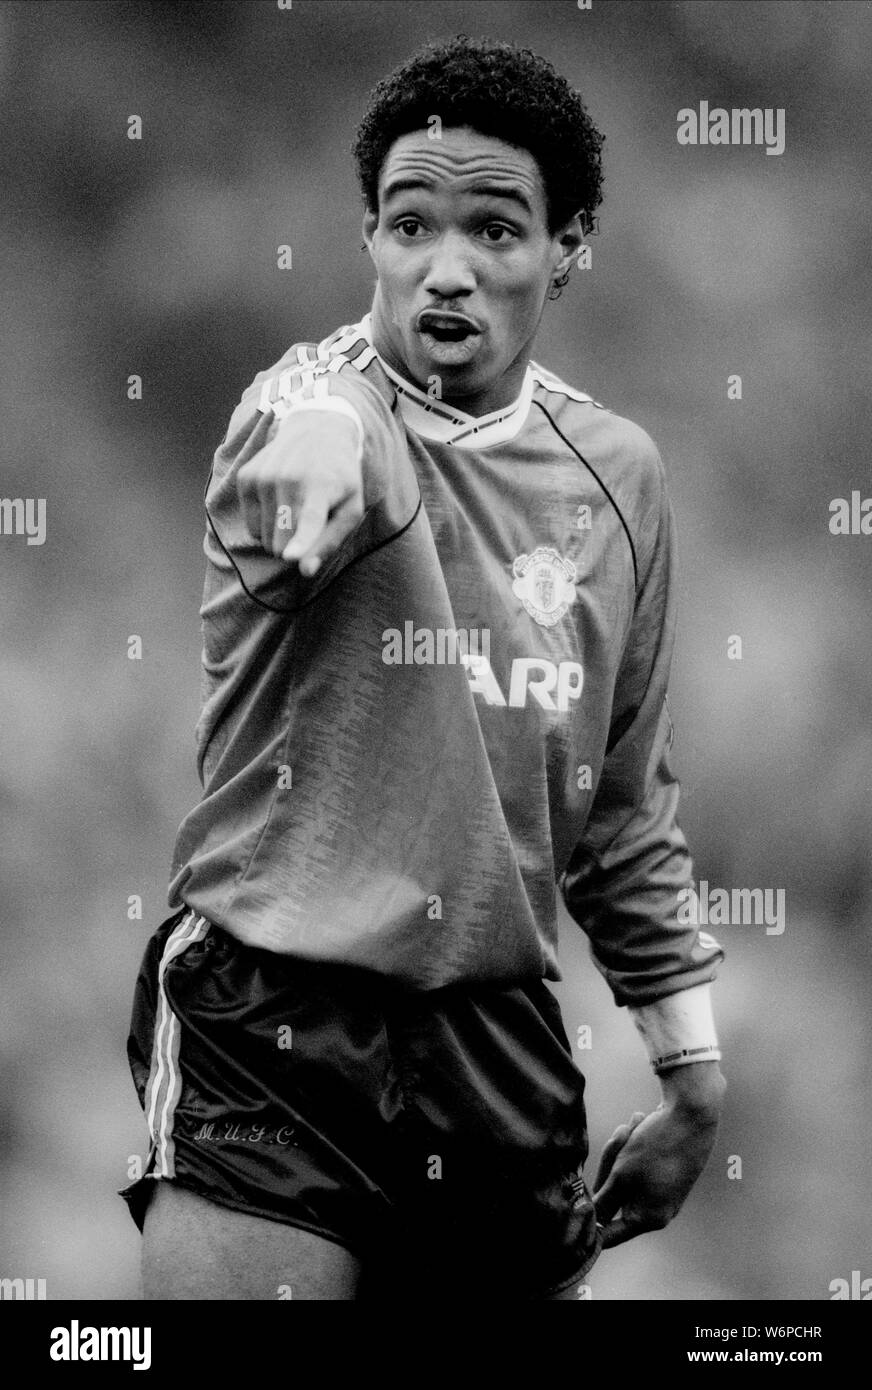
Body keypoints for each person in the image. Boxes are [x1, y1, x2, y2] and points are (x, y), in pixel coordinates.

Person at [122, 35, 725, 1302]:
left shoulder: (618, 481)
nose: (443, 269)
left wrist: (687, 1066)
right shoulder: (306, 408)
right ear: (369, 239)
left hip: (493, 1036)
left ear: (569, 247)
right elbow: (313, 426)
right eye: (408, 225)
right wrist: (315, 460)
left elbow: (617, 807)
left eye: (495, 231)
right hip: (270, 1014)